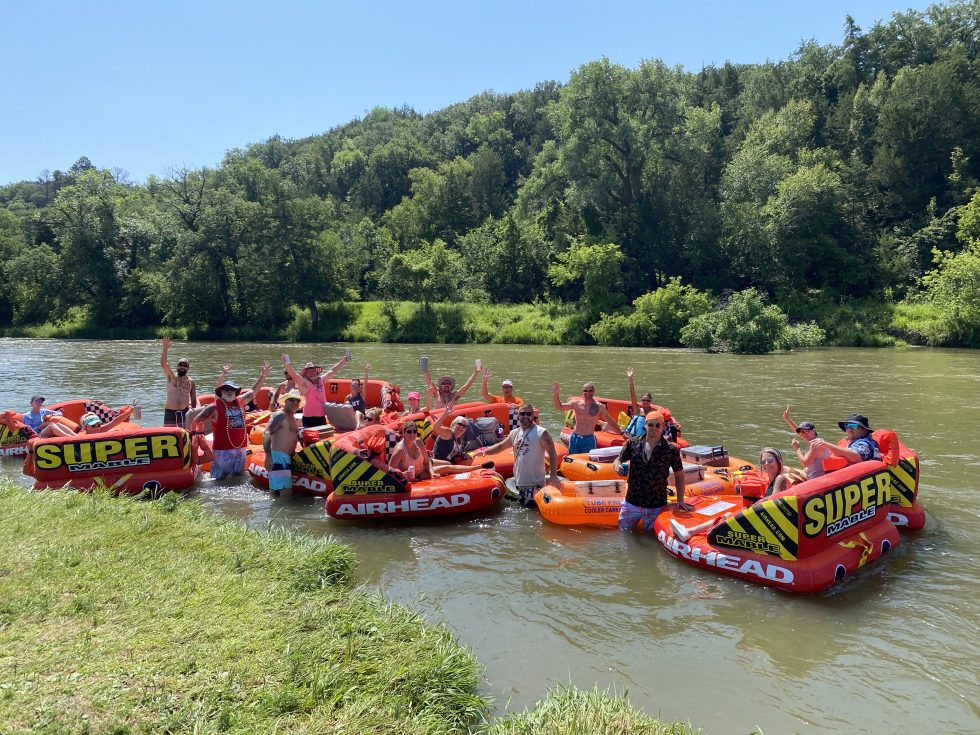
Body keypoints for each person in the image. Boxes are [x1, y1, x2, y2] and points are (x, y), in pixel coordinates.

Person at [670, 447, 792, 542]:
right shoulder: (769, 480)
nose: (766, 464)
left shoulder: (781, 479)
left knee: (729, 516)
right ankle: (689, 532)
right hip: (766, 522)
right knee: (729, 515)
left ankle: (689, 532)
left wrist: (749, 511)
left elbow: (771, 506)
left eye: (770, 460)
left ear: (779, 462)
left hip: (772, 527)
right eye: (763, 461)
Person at [613, 411, 692, 532]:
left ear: (663, 427)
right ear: (645, 425)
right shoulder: (632, 443)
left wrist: (680, 500)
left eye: (657, 425)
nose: (654, 428)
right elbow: (618, 460)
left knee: (652, 537)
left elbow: (679, 475)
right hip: (632, 502)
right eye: (651, 424)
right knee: (624, 534)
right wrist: (617, 466)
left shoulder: (671, 449)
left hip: (656, 506)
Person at [195, 362, 271, 479]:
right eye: (226, 389)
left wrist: (263, 375)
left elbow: (254, 391)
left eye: (232, 389)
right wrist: (197, 438)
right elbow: (196, 420)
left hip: (240, 449)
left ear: (236, 392)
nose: (229, 391)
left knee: (239, 478)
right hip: (222, 450)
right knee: (219, 480)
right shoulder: (214, 407)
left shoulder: (240, 401)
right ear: (221, 392)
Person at [477, 404, 560, 508]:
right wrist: (486, 451)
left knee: (531, 510)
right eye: (522, 414)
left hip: (535, 483)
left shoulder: (541, 432)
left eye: (528, 414)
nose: (525, 416)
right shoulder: (515, 433)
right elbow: (501, 446)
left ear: (533, 415)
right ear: (518, 416)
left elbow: (552, 453)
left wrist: (553, 475)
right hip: (519, 481)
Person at [387, 420, 480, 481]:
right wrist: (402, 474)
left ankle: (478, 467)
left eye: (414, 431)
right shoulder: (400, 450)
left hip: (425, 467)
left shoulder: (418, 442)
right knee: (448, 467)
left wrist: (432, 473)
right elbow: (389, 471)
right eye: (409, 431)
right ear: (403, 433)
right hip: (418, 475)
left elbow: (427, 461)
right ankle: (478, 467)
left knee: (448, 463)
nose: (412, 434)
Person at [552, 381, 622, 454]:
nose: (588, 393)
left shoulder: (599, 407)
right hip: (575, 437)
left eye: (590, 391)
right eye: (585, 391)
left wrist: (621, 432)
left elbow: (610, 420)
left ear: (594, 391)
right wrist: (555, 394)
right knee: (572, 458)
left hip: (589, 439)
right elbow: (559, 407)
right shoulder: (576, 404)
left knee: (587, 459)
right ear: (582, 392)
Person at [282, 352, 350, 428]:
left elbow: (333, 370)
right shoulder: (305, 384)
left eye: (313, 371)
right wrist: (287, 363)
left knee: (323, 435)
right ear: (305, 374)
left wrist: (344, 360)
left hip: (321, 417)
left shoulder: (321, 380)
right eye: (309, 372)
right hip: (309, 418)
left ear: (316, 372)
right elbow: (294, 374)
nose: (311, 373)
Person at [263, 388, 302, 496]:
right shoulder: (280, 415)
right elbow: (267, 433)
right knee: (286, 492)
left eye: (297, 401)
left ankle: (272, 507)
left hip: (285, 457)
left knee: (275, 491)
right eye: (292, 400)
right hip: (278, 457)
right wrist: (268, 456)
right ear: (285, 401)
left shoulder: (291, 417)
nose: (295, 402)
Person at [811, 413, 881, 465]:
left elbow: (855, 457)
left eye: (853, 426)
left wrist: (826, 444)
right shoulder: (853, 442)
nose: (849, 429)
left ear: (864, 430)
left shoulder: (865, 443)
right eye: (847, 426)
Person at [160, 337, 197, 426]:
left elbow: (193, 399)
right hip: (170, 412)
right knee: (169, 433)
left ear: (188, 368)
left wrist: (194, 413)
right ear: (177, 366)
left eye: (185, 365)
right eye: (180, 365)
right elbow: (163, 363)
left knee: (185, 433)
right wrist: (165, 348)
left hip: (184, 412)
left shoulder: (191, 381)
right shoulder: (171, 376)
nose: (182, 367)